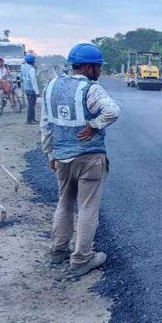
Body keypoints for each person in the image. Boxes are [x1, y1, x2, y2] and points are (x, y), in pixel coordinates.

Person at [42, 43, 120, 278]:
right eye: (98, 68)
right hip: (89, 158)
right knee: (87, 208)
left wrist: (49, 154)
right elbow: (113, 111)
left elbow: (46, 125)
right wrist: (94, 125)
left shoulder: (51, 86)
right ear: (88, 68)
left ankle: (58, 251)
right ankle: (82, 259)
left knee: (64, 203)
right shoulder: (91, 89)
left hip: (62, 158)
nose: (99, 72)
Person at [21, 53, 40, 124]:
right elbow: (34, 81)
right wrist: (37, 92)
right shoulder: (31, 69)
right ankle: (30, 120)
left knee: (31, 105)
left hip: (26, 88)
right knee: (32, 105)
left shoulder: (23, 67)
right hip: (32, 89)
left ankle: (32, 118)